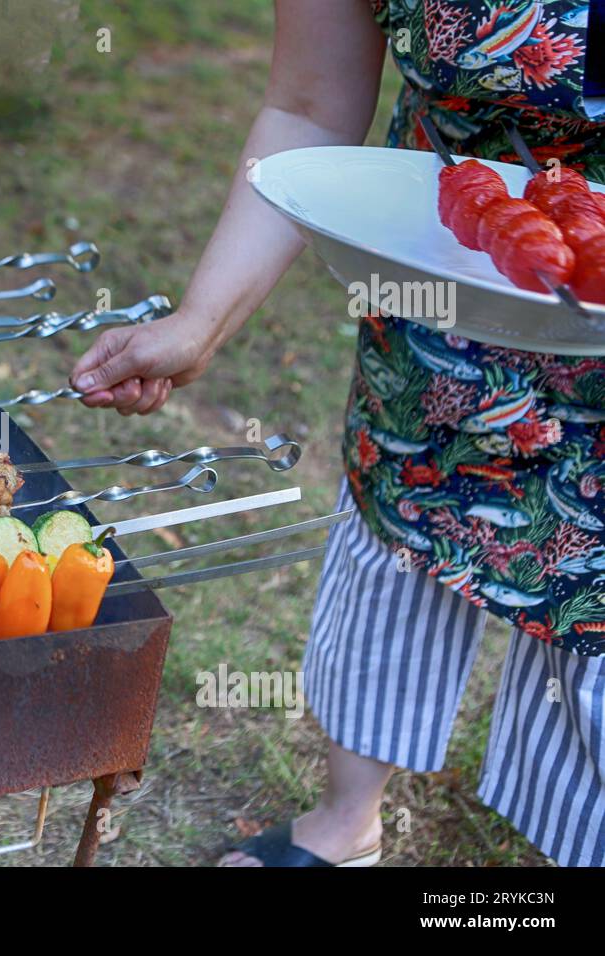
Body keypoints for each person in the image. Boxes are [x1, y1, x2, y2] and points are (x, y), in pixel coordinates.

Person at [72, 0, 605, 867]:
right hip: (450, 269)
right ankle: (345, 822)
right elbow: (309, 104)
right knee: (409, 513)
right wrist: (203, 319)